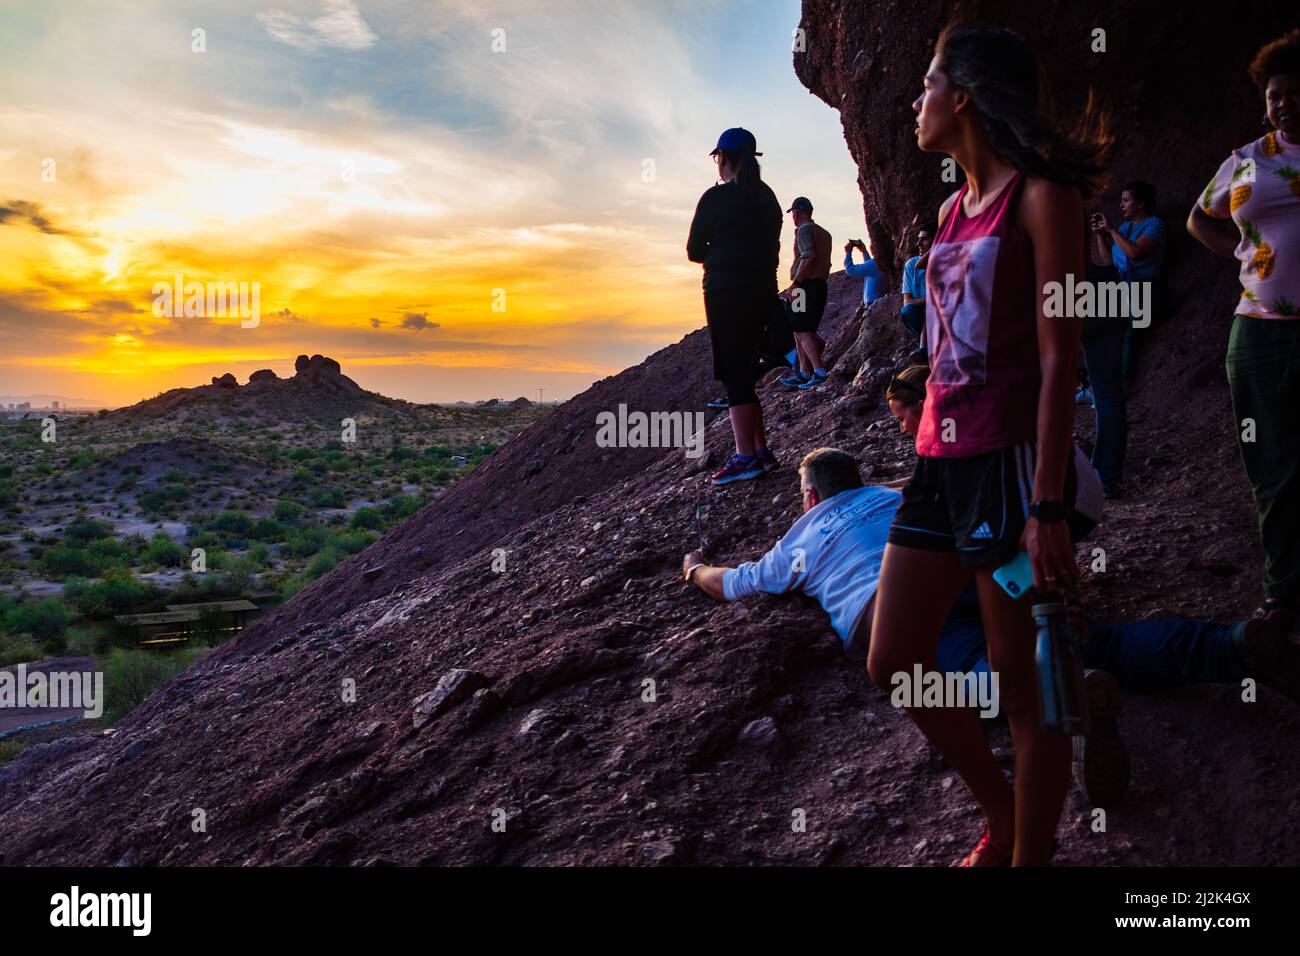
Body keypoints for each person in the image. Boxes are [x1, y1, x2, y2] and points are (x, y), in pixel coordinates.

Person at [681, 443, 1300, 810]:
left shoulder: (803, 536)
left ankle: (1062, 686)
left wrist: (694, 568)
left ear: (811, 497)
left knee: (959, 676)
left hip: (901, 612)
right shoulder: (897, 498)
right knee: (1095, 637)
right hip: (966, 575)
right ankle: (1236, 644)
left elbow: (732, 583)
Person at [867, 22, 1112, 866]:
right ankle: (1003, 812)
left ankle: (1027, 855)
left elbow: (1059, 359)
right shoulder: (946, 209)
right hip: (937, 462)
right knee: (893, 657)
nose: (914, 100)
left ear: (961, 96)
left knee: (1022, 688)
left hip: (1009, 466)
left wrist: (1046, 506)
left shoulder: (1042, 197)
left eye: (926, 83)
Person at [1187, 29, 1300, 633]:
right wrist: (1246, 258)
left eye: (1293, 93)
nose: (1284, 103)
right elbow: (1198, 219)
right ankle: (1283, 597)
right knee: (1273, 467)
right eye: (1275, 95)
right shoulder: (1247, 158)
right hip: (1256, 331)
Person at [687, 127, 783, 485]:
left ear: (723, 158)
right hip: (762, 290)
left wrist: (719, 251)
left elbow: (694, 250)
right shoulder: (768, 198)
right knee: (746, 369)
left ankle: (746, 457)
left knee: (734, 372)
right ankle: (760, 451)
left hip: (725, 291)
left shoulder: (716, 199)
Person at [777, 197, 834, 390]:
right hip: (818, 285)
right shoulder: (824, 233)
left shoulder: (804, 230)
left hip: (805, 286)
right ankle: (804, 372)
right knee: (797, 328)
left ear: (796, 213)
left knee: (803, 329)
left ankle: (819, 371)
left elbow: (808, 257)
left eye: (793, 213)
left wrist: (796, 284)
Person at [899, 223, 934, 355]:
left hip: (941, 312)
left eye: (924, 239)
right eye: (918, 239)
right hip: (922, 312)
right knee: (907, 311)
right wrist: (929, 298)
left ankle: (925, 346)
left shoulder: (944, 261)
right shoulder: (912, 264)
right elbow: (907, 302)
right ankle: (924, 344)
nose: (918, 243)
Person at [844, 237, 885, 307]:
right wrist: (864, 252)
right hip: (880, 302)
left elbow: (850, 270)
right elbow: (869, 269)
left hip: (873, 304)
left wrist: (848, 253)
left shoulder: (874, 263)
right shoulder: (884, 261)